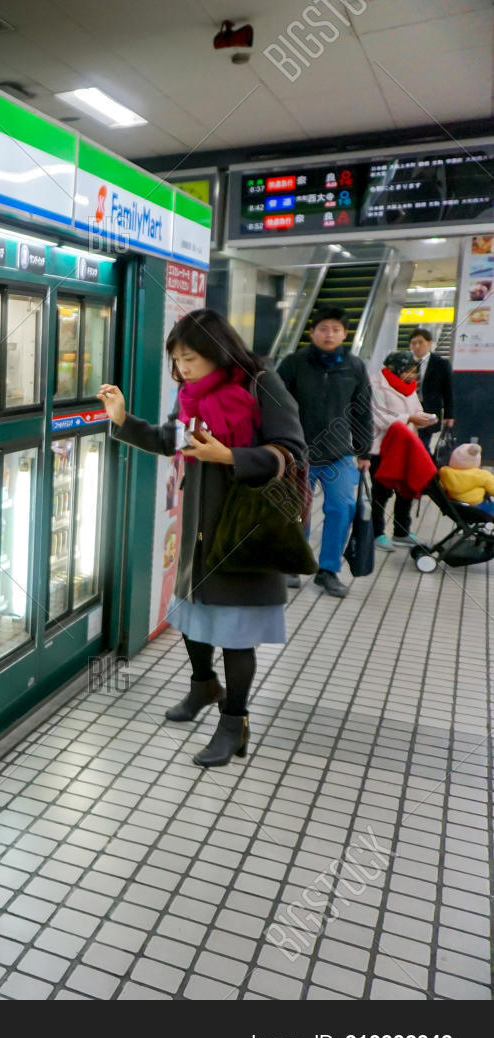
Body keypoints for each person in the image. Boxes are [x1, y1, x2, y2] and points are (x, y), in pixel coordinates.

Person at [100, 308, 307, 768]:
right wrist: (122, 419)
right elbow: (168, 439)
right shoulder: (191, 395)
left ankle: (234, 723)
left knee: (236, 632)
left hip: (243, 525)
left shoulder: (261, 385)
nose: (183, 369)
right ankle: (203, 687)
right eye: (177, 361)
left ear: (217, 351)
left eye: (189, 358)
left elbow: (291, 452)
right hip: (198, 523)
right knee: (191, 616)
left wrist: (231, 455)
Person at [276, 306, 373, 598]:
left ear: (344, 334)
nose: (329, 334)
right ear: (312, 332)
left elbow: (363, 410)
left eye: (335, 329)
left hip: (339, 453)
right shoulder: (294, 363)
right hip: (298, 453)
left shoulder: (354, 367)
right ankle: (294, 563)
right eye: (323, 328)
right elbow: (275, 404)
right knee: (296, 512)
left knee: (342, 509)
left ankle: (328, 571)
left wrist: (365, 451)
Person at [367, 350, 437, 549]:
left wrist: (426, 418)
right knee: (381, 491)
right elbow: (378, 418)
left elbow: (415, 411)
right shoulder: (376, 385)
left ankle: (401, 532)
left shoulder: (408, 387)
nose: (413, 375)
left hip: (406, 446)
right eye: (408, 370)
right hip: (381, 447)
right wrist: (409, 419)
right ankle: (377, 533)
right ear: (394, 369)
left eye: (414, 371)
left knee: (406, 489)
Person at [407, 327, 454, 451]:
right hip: (408, 410)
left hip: (429, 410)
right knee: (411, 445)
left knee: (422, 445)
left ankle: (426, 468)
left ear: (429, 343)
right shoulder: (404, 362)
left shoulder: (440, 364)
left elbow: (448, 391)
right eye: (413, 343)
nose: (417, 346)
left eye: (420, 342)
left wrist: (449, 415)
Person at [439, 442, 494, 514]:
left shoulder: (444, 472)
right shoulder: (481, 475)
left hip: (457, 506)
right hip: (477, 507)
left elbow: (442, 486)